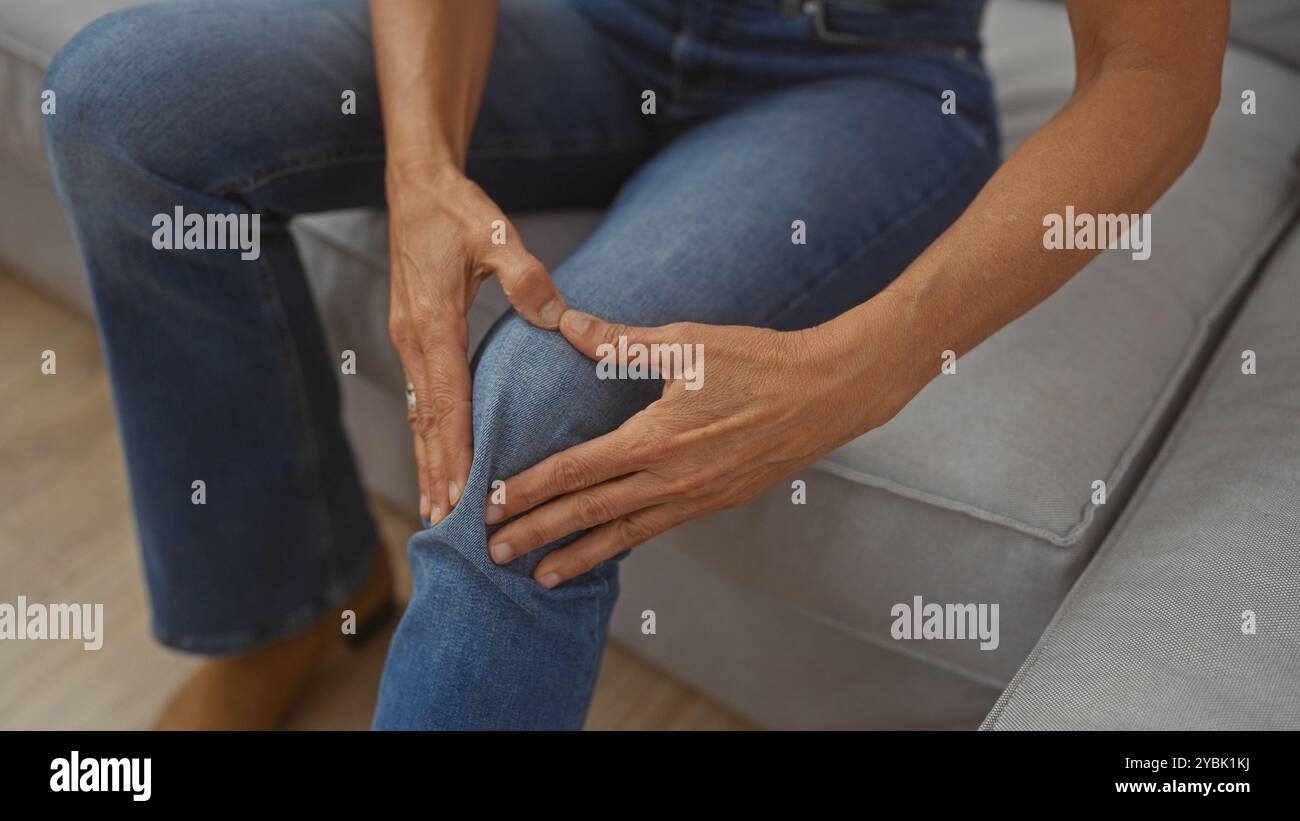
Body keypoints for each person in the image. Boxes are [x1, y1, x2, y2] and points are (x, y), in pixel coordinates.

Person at [43, 0, 1227, 729]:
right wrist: (422, 173)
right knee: (120, 103)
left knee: (542, 410)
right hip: (590, 26)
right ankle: (286, 609)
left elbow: (1155, 70)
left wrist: (881, 354)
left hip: (856, 79)